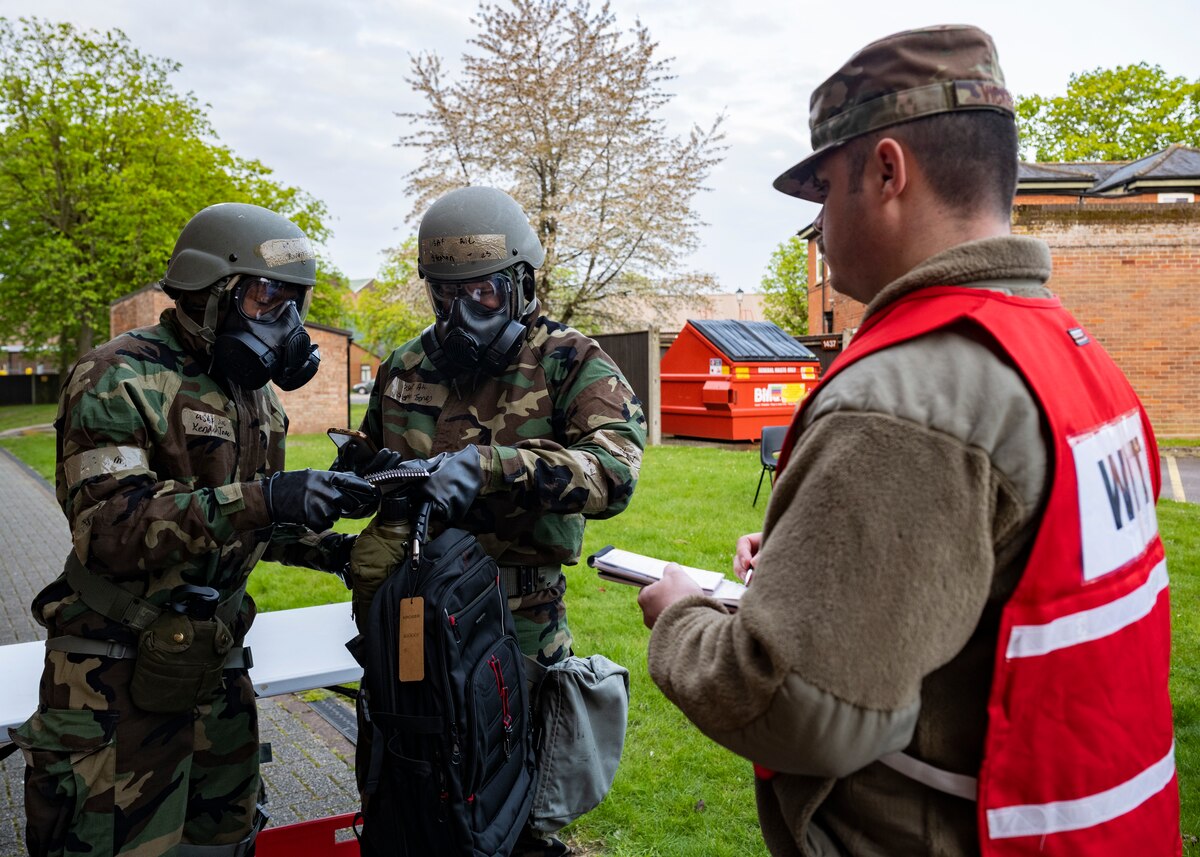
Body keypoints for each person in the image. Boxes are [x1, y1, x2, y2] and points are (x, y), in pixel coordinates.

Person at [637, 24, 1180, 857]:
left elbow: (797, 705)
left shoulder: (905, 402)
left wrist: (682, 619)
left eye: (823, 188)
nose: (818, 223)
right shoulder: (1068, 352)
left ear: (887, 170)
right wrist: (807, 556)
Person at [9, 202, 378, 857]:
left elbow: (246, 525)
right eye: (268, 298)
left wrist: (338, 544)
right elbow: (111, 528)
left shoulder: (255, 397)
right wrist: (267, 498)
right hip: (113, 676)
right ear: (210, 293)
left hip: (215, 668)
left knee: (226, 842)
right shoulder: (114, 376)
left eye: (296, 302)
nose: (288, 323)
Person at [337, 185, 646, 856]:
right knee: (407, 796)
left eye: (480, 293)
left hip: (516, 633)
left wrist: (492, 467)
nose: (459, 314)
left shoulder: (569, 359)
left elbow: (614, 469)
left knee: (508, 819)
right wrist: (358, 471)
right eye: (444, 296)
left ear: (520, 284)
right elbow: (369, 458)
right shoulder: (408, 364)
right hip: (409, 618)